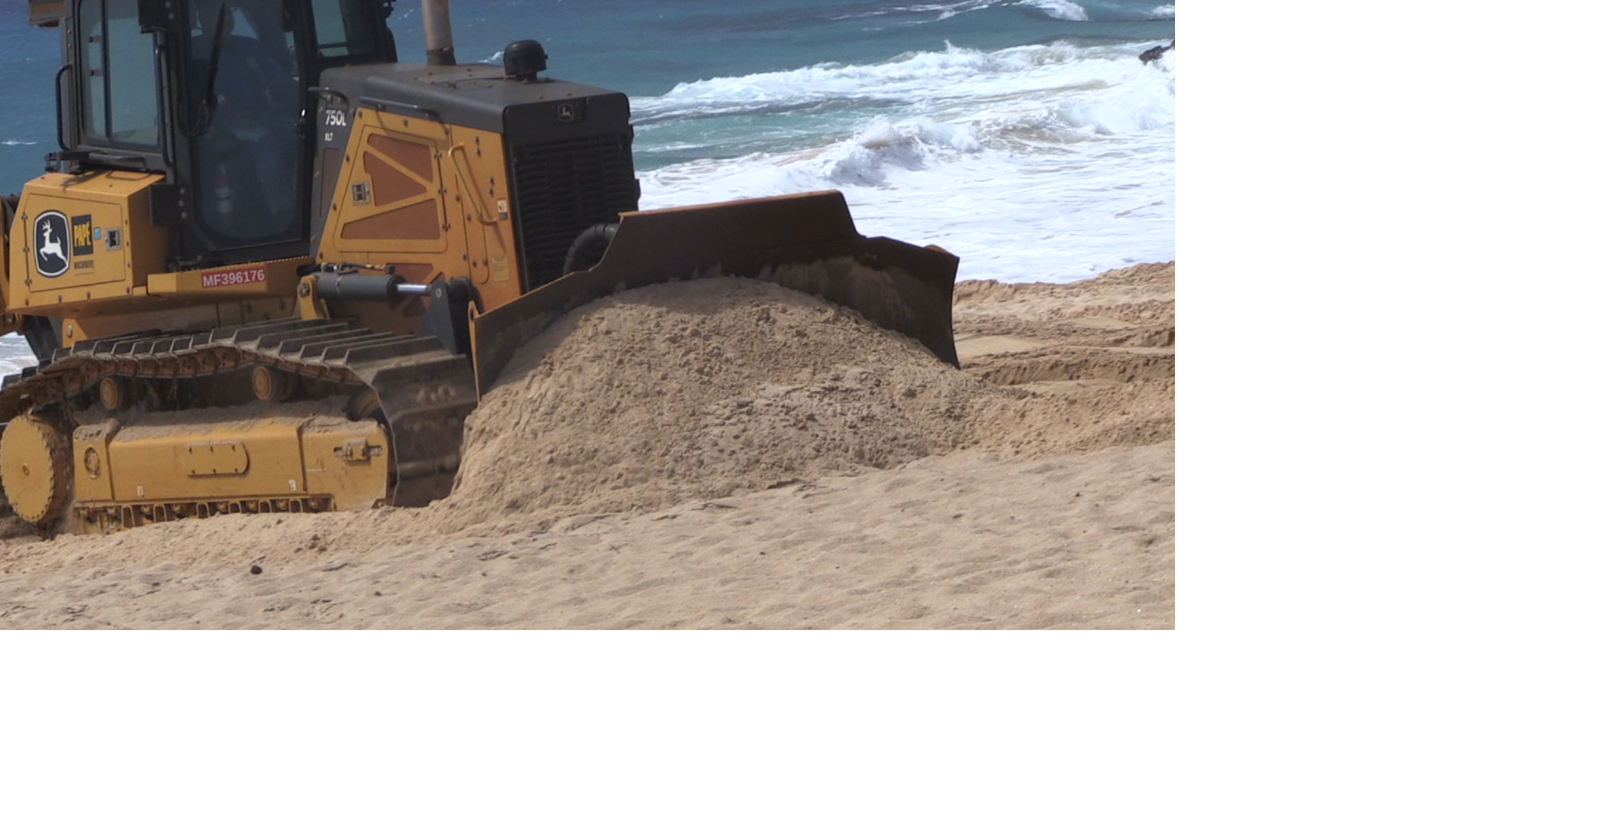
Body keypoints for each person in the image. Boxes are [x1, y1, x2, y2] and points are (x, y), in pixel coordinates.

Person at [190, 0, 302, 242]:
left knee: (301, 131)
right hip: (219, 124)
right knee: (264, 141)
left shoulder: (249, 47)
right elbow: (185, 93)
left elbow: (279, 82)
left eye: (226, 11)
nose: (224, 18)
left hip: (262, 116)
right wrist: (210, 100)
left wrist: (305, 94)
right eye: (215, 12)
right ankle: (283, 211)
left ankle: (305, 201)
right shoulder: (192, 54)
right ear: (201, 17)